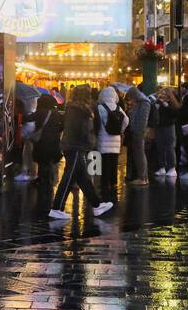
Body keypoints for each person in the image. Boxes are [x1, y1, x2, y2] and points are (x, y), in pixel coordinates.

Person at [48, 84, 114, 221]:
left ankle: (97, 205)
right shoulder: (79, 110)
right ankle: (56, 208)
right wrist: (88, 142)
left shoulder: (74, 108)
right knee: (69, 177)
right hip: (76, 146)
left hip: (74, 146)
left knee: (83, 178)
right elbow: (80, 129)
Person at [94, 85, 127, 199]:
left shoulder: (100, 107)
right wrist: (121, 129)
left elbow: (97, 123)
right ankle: (113, 183)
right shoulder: (118, 108)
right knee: (114, 162)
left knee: (105, 163)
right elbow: (126, 120)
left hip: (103, 139)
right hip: (116, 140)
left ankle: (105, 184)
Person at [30, 93, 64, 189]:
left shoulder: (39, 112)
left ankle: (41, 179)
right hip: (54, 141)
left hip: (41, 141)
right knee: (51, 160)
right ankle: (50, 179)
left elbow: (28, 118)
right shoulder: (56, 113)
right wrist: (58, 130)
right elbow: (64, 123)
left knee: (42, 161)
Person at [123, 83, 152, 186]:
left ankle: (142, 177)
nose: (130, 100)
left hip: (138, 132)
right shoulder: (141, 103)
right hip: (137, 131)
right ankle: (143, 177)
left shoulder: (144, 103)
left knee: (140, 154)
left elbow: (142, 119)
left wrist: (139, 130)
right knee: (139, 154)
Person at [152, 88, 177, 179]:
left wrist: (167, 106)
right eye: (161, 93)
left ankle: (172, 168)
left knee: (170, 147)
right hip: (159, 127)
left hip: (169, 126)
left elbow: (175, 113)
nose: (162, 95)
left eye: (164, 94)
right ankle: (162, 167)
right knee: (160, 147)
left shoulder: (172, 103)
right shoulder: (158, 102)